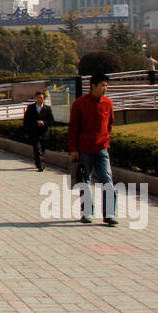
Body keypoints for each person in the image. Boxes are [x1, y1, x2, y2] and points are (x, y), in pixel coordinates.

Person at [67, 72, 116, 226]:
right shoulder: (80, 104)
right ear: (93, 86)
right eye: (102, 85)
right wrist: (74, 148)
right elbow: (73, 128)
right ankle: (86, 213)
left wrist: (106, 139)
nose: (105, 88)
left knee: (107, 180)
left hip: (102, 149)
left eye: (106, 85)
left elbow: (110, 124)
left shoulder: (108, 103)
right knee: (85, 181)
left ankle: (109, 215)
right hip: (84, 150)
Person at [22, 89, 53, 172]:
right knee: (37, 149)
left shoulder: (47, 108)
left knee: (42, 149)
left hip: (43, 133)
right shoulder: (31, 108)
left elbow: (51, 120)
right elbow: (26, 120)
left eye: (41, 98)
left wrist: (44, 123)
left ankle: (37, 161)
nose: (39, 99)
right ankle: (40, 165)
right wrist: (26, 132)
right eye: (38, 98)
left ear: (43, 99)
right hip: (34, 132)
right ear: (35, 99)